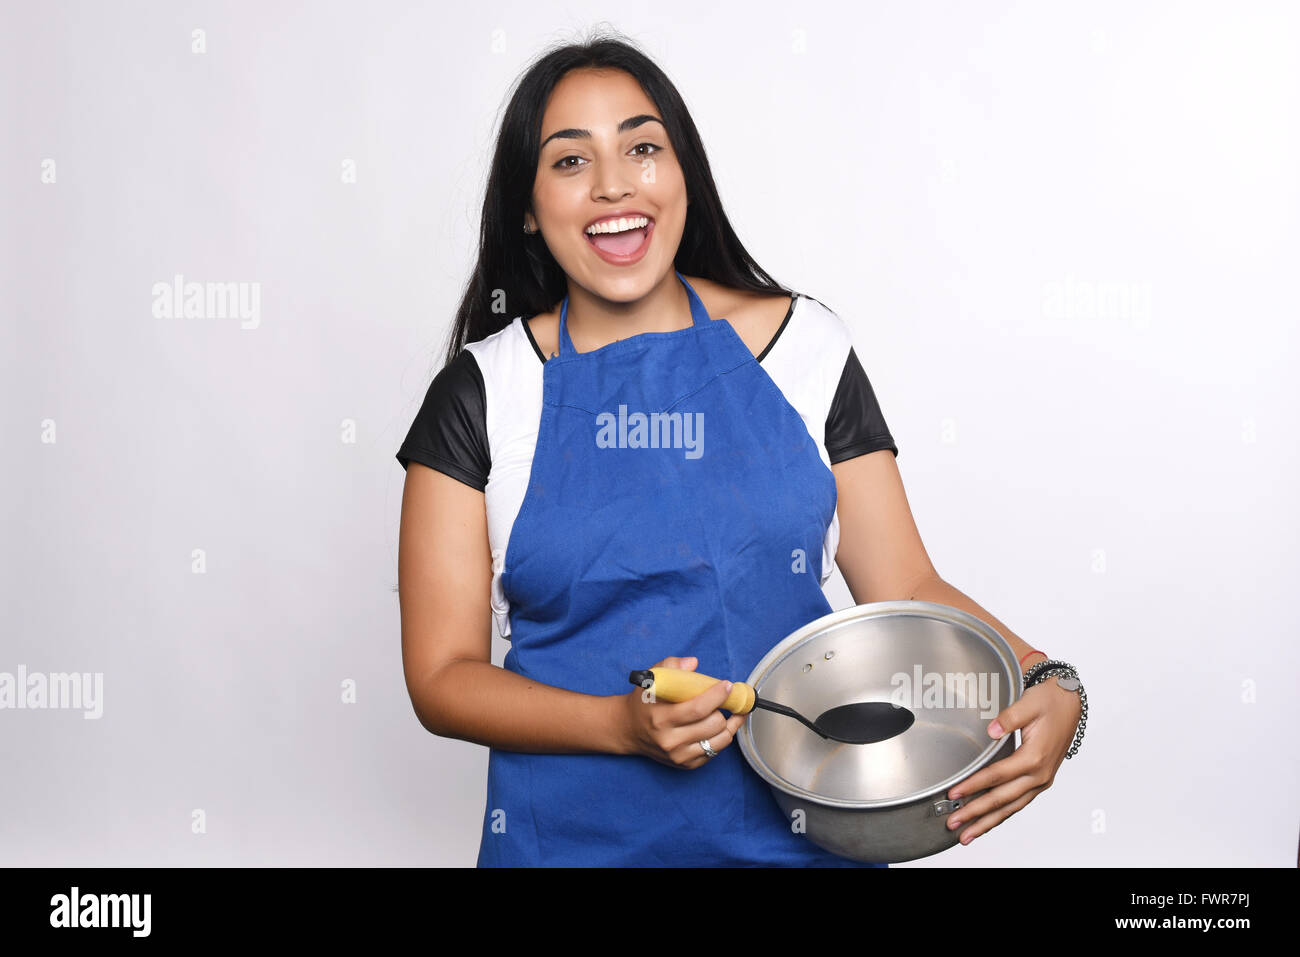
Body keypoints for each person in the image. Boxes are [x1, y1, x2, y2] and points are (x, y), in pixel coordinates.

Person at [395, 32, 1085, 867]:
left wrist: (1048, 680)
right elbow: (443, 675)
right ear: (529, 209)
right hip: (567, 844)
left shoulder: (804, 347)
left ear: (683, 175)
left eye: (643, 148)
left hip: (804, 839)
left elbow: (904, 584)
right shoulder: (481, 393)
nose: (615, 183)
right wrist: (616, 726)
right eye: (570, 162)